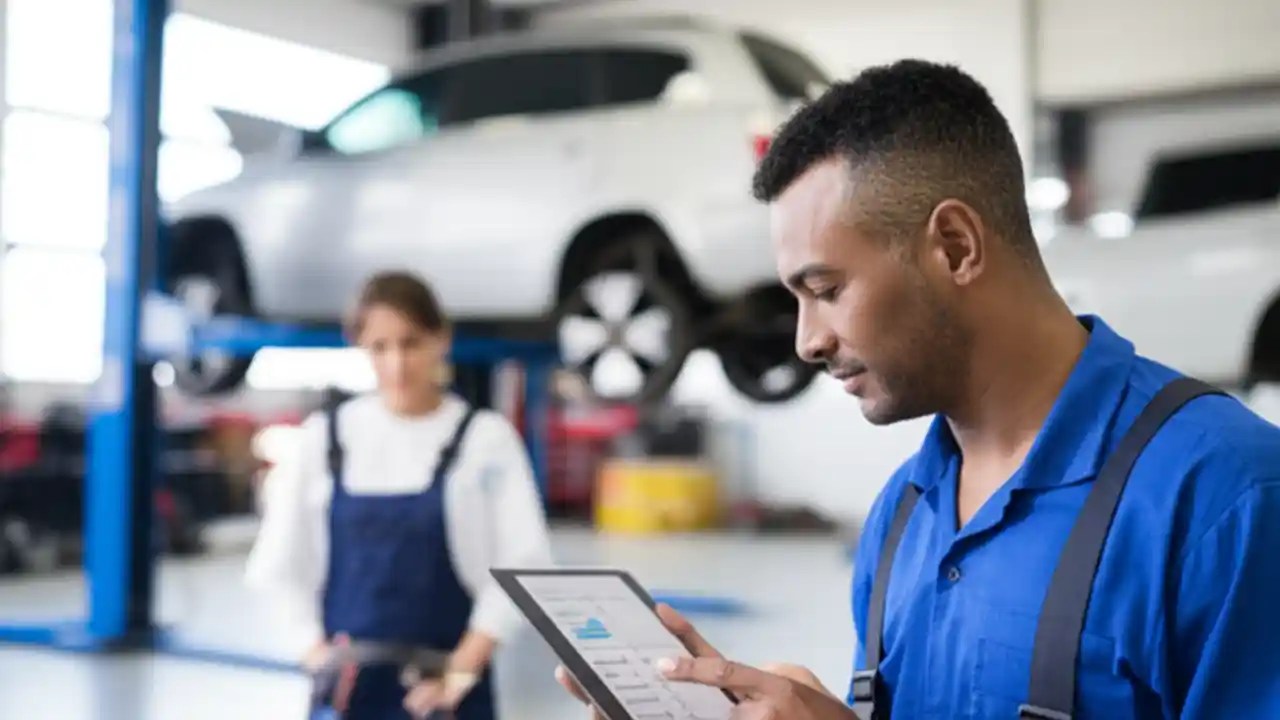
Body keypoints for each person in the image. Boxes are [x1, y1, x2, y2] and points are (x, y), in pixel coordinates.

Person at [559, 59, 1280, 718]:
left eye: (827, 288)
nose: (806, 340)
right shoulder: (902, 519)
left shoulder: (1227, 499)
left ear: (955, 247)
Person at [247, 270, 554, 720]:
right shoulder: (324, 439)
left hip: (449, 694)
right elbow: (278, 567)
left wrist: (461, 671)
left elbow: (523, 565)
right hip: (348, 696)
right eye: (379, 347)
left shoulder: (485, 439)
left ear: (441, 338)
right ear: (359, 347)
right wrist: (315, 658)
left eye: (410, 343)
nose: (396, 364)